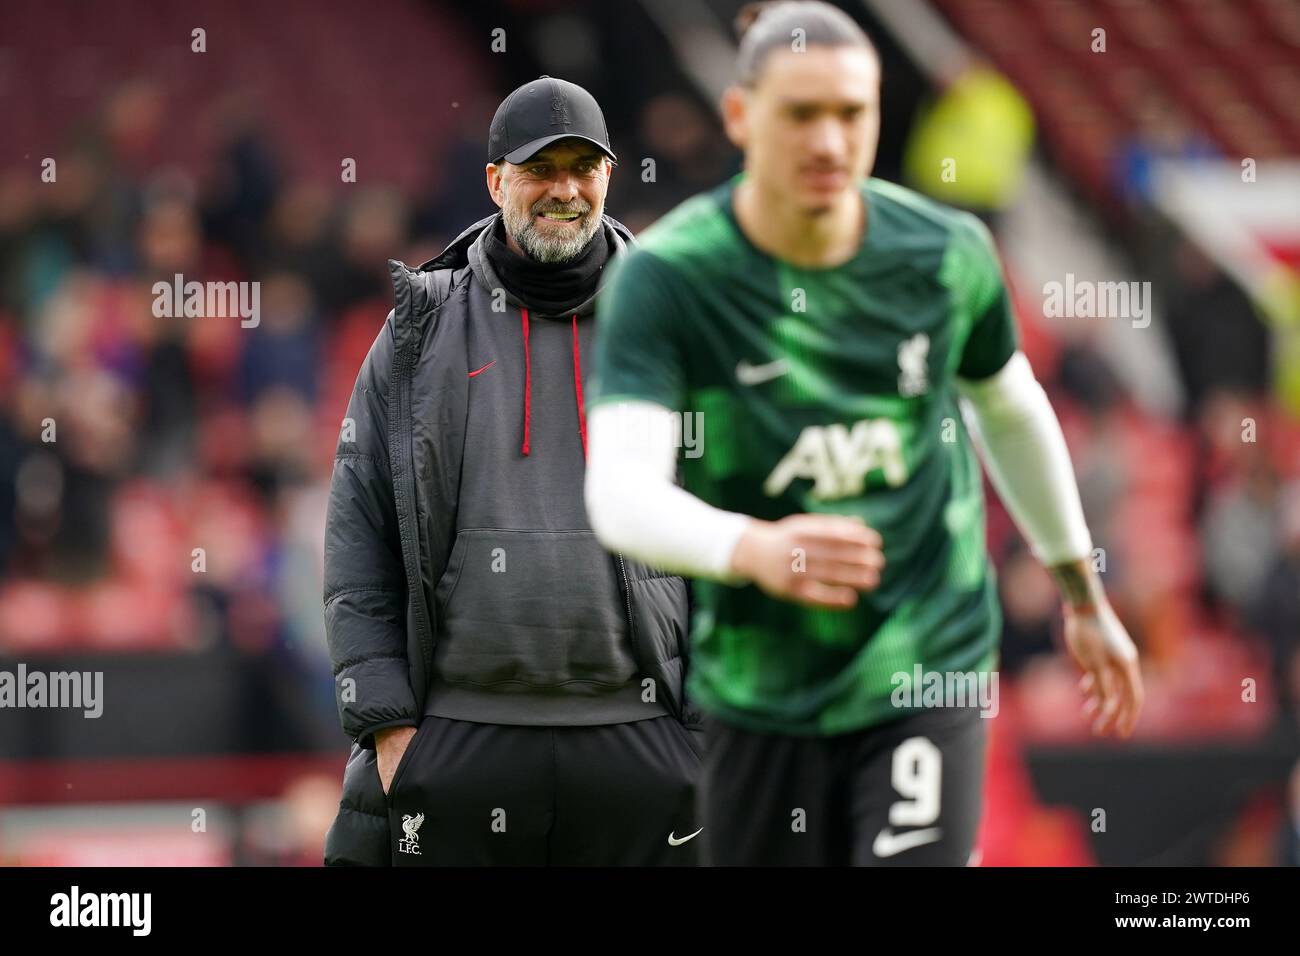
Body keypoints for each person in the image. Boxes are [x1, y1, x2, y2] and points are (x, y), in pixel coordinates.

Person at [584, 1, 1142, 866]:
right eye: (802, 113)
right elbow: (620, 496)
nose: (830, 141)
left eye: (853, 113)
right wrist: (757, 550)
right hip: (759, 686)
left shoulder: (946, 254)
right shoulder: (668, 278)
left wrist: (1081, 590)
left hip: (926, 661)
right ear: (741, 116)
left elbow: (1010, 407)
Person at [323, 76, 701, 866]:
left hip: (643, 743)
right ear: (496, 181)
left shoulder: (679, 328)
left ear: (608, 175)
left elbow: (740, 523)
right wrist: (390, 730)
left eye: (582, 166)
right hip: (460, 742)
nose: (563, 188)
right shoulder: (417, 334)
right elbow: (358, 535)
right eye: (540, 169)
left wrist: (707, 732)